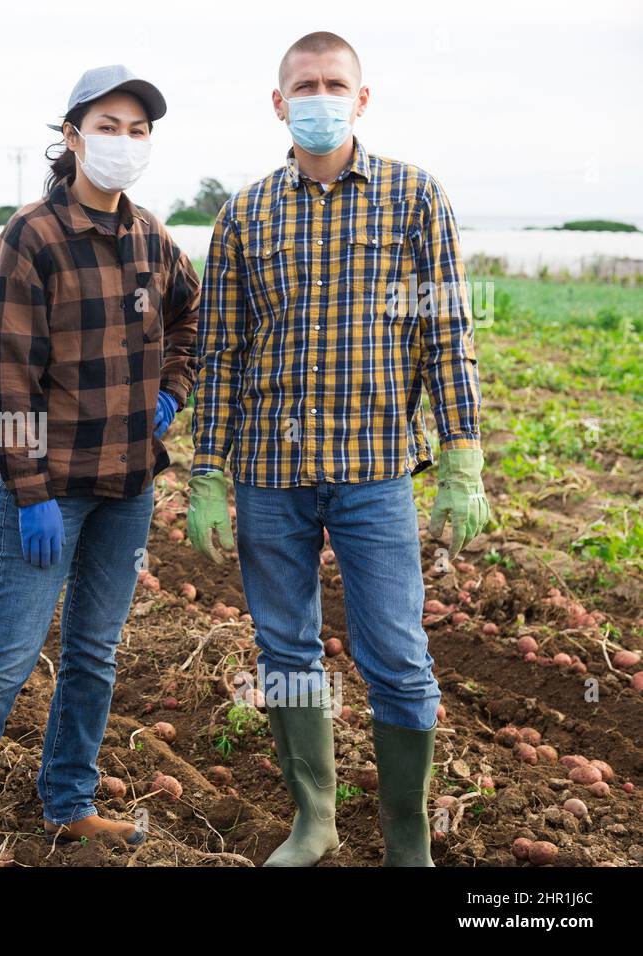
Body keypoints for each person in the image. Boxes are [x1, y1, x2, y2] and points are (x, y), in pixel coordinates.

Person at [187, 32, 487, 867]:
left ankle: (406, 838)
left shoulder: (414, 197)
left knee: (396, 653)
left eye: (334, 83)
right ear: (279, 103)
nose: (319, 96)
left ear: (361, 97)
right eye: (303, 85)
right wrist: (206, 472)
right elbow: (220, 354)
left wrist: (463, 456)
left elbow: (446, 333)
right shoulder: (245, 213)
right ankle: (313, 819)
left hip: (375, 469)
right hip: (270, 476)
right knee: (284, 649)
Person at [0, 64, 202, 866]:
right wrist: (30, 491)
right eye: (108, 127)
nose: (124, 143)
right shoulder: (32, 237)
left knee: (94, 655)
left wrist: (172, 391)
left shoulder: (150, 236)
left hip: (128, 489)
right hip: (50, 496)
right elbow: (7, 376)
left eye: (138, 131)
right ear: (72, 136)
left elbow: (192, 315)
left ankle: (68, 803)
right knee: (2, 663)